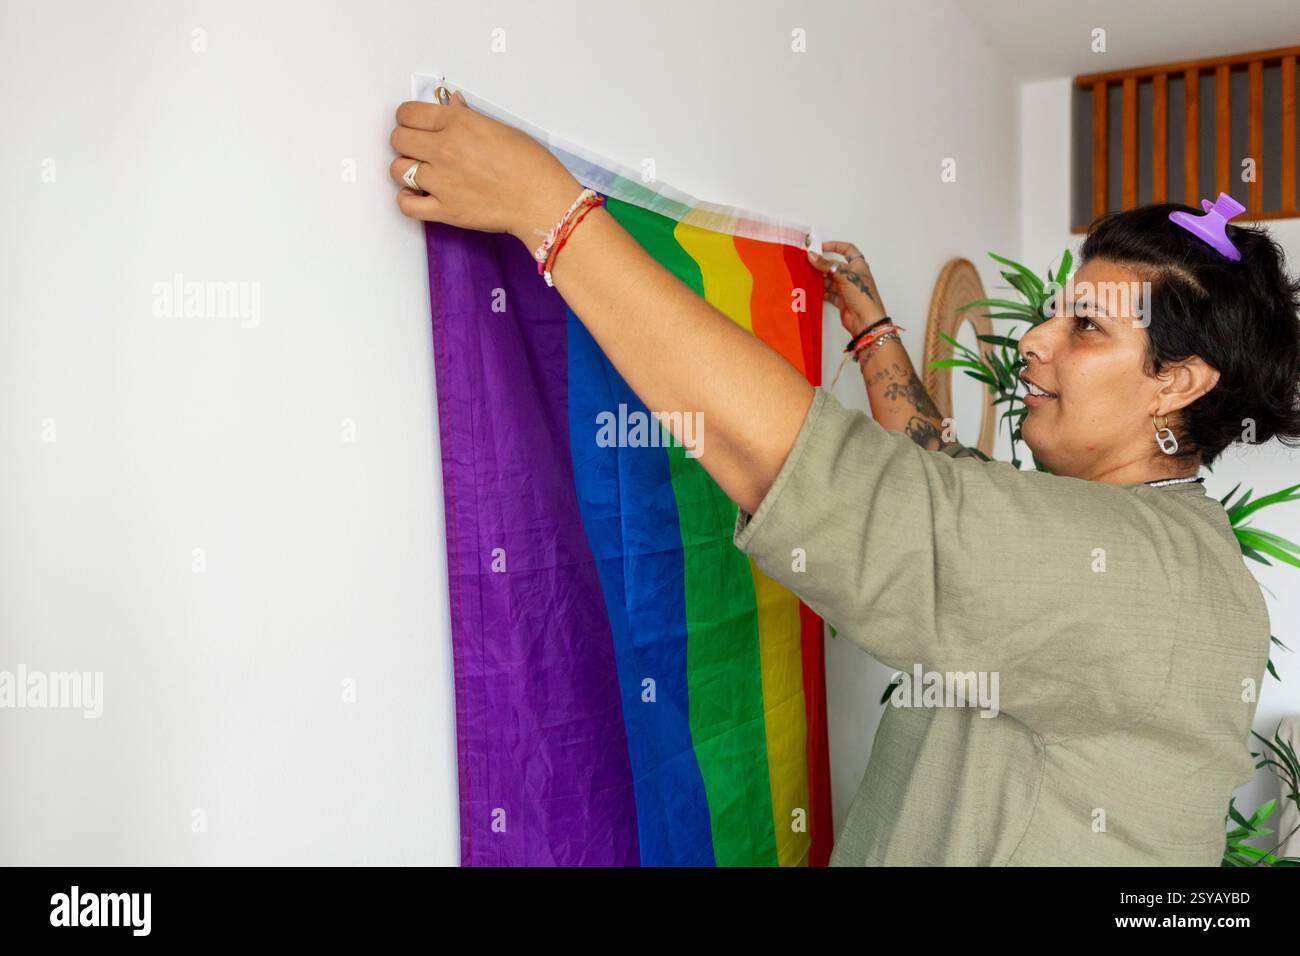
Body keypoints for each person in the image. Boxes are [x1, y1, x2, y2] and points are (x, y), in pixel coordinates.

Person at [389, 93, 1300, 865]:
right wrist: (872, 338)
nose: (1033, 342)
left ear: (1179, 383)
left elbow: (842, 487)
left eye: (1086, 328)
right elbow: (952, 486)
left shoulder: (1133, 572)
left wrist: (548, 210)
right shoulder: (1161, 539)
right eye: (1053, 313)